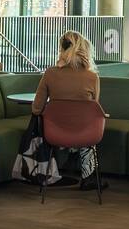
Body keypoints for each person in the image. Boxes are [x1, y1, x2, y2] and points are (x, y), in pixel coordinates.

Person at [31, 30, 103, 188]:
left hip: (55, 133)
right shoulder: (92, 77)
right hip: (85, 133)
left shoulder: (50, 74)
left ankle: (52, 169)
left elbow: (36, 109)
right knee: (89, 125)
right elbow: (93, 108)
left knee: (44, 122)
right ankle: (89, 178)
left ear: (61, 50)